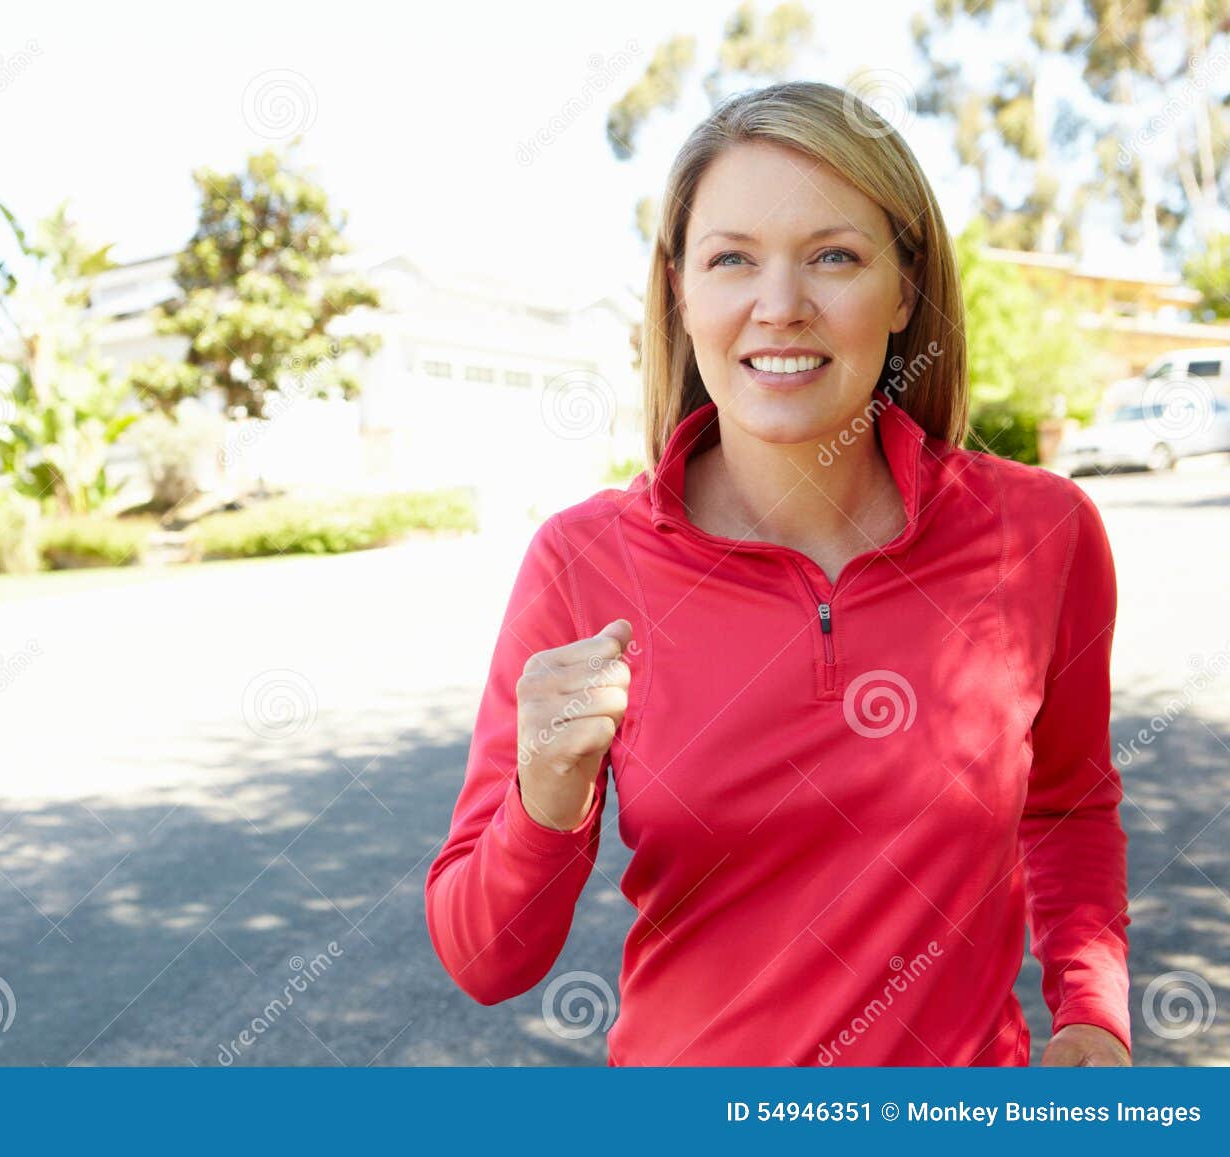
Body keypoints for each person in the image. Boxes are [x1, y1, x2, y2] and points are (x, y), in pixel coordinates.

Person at [423, 80, 1131, 1067]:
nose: (781, 307)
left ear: (904, 288)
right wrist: (544, 794)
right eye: (732, 259)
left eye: (834, 256)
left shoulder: (1040, 532)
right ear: (680, 291)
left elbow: (1067, 807)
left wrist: (1090, 1008)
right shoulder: (582, 561)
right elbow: (484, 959)